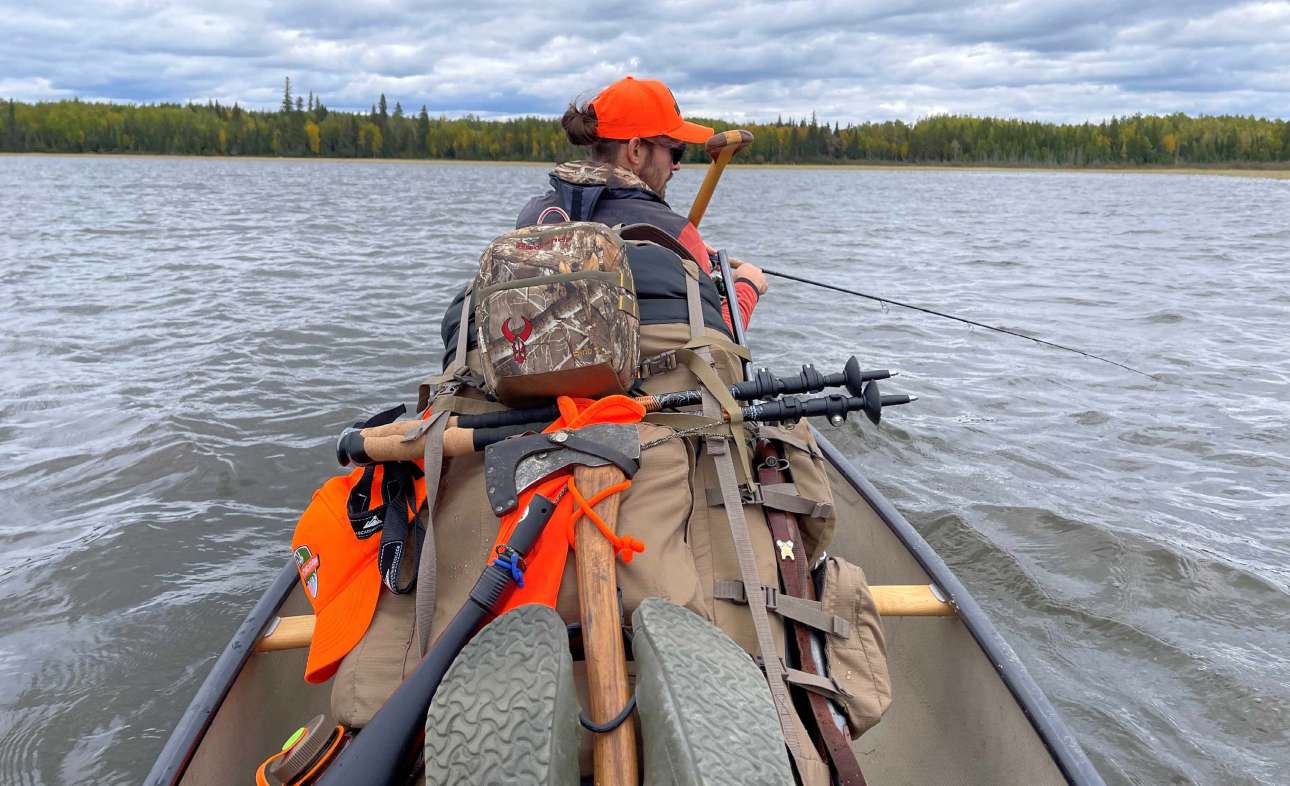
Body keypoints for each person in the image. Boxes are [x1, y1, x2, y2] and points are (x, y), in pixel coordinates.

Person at [517, 75, 767, 331]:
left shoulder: (532, 216)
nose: (676, 166)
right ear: (635, 150)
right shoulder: (678, 234)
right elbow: (718, 339)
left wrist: (679, 245)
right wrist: (746, 286)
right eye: (675, 152)